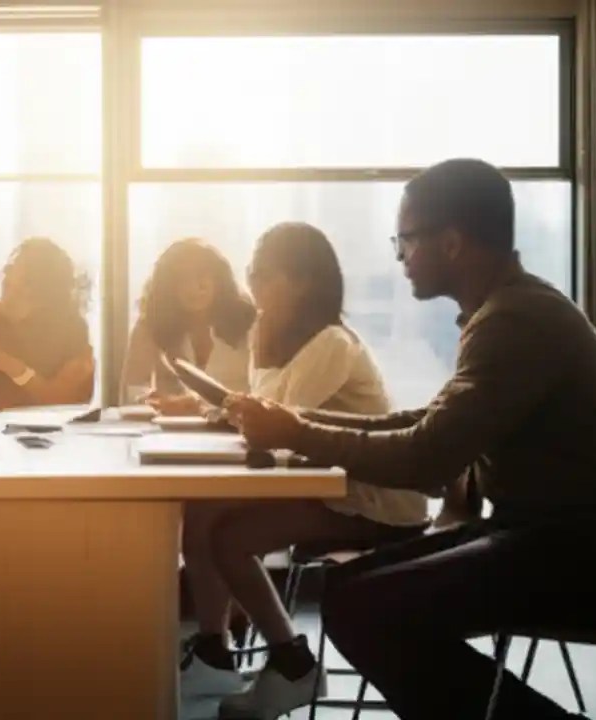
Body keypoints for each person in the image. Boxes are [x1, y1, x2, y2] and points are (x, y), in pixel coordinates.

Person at [221, 159, 596, 720]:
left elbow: (424, 457)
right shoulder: (506, 310)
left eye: (406, 239)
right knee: (346, 594)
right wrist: (297, 426)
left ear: (453, 243)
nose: (399, 255)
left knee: (361, 609)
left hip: (595, 558)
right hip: (554, 537)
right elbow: (424, 423)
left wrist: (297, 432)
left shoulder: (516, 321)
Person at [179, 223, 428, 718]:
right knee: (203, 510)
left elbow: (275, 418)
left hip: (376, 500)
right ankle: (216, 650)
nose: (253, 284)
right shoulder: (286, 340)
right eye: (251, 272)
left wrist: (251, 367)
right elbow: (262, 413)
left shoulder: (333, 342)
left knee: (228, 537)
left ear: (303, 282)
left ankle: (291, 663)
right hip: (334, 488)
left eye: (264, 274)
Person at [0, 237, 95, 411]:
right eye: (8, 266)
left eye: (15, 266)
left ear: (38, 282)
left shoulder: (72, 327)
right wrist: (41, 384)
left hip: (58, 432)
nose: (5, 271)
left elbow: (66, 403)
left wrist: (10, 366)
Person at [120, 238, 255, 415]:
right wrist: (159, 402)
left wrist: (202, 407)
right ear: (167, 287)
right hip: (173, 434)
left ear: (218, 279)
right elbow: (131, 393)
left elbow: (269, 394)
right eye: (182, 279)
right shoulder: (151, 326)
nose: (194, 287)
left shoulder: (248, 322)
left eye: (202, 276)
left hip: (240, 430)